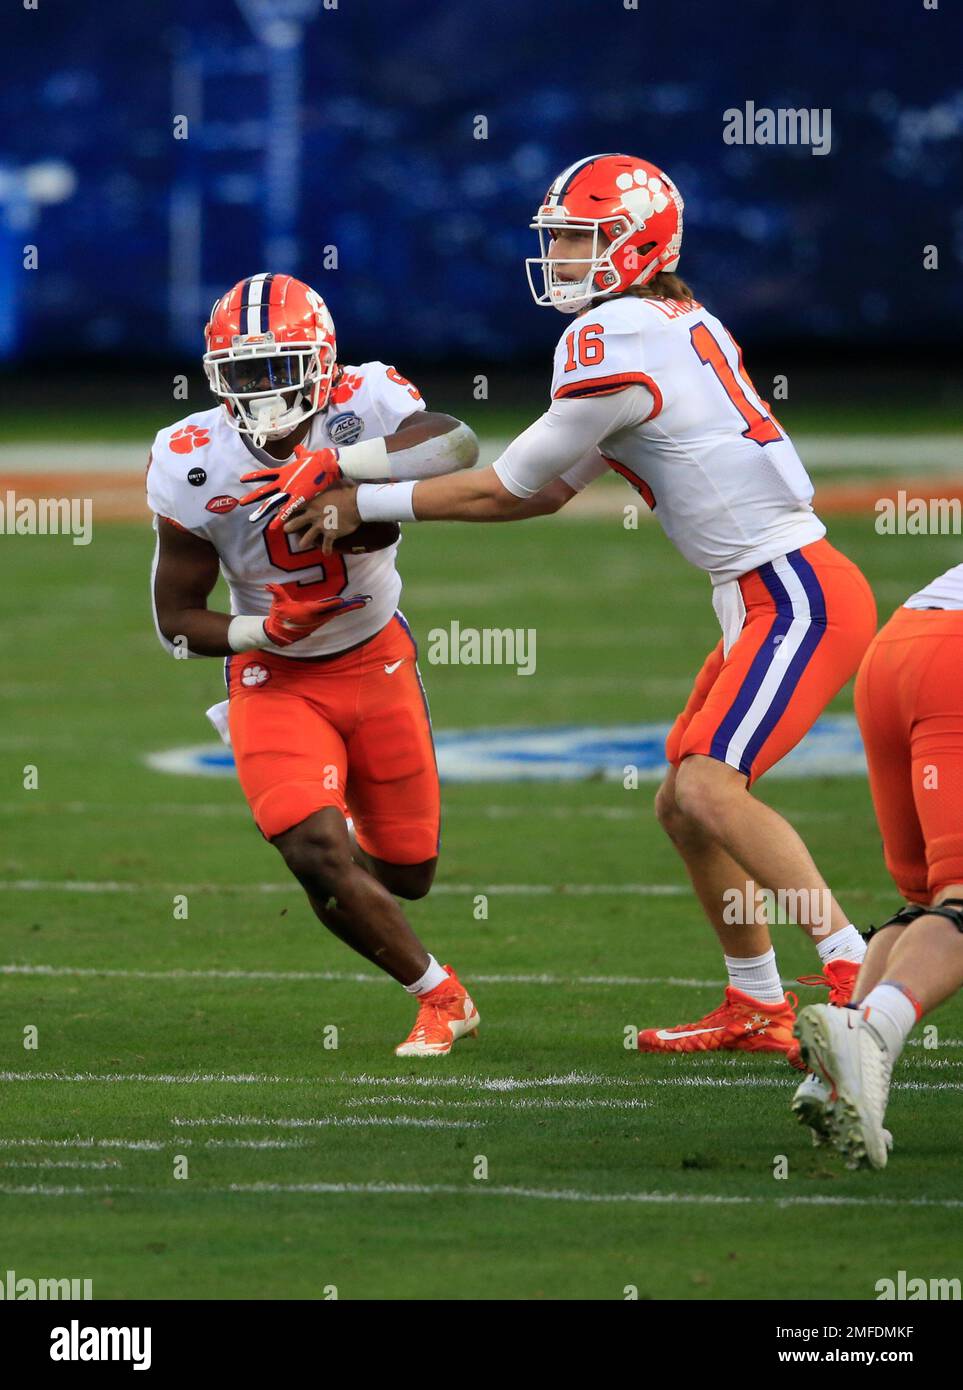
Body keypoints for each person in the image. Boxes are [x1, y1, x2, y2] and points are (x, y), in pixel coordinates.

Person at [295, 155, 878, 1063]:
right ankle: (756, 1003)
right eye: (557, 237)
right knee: (683, 805)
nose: (560, 255)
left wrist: (359, 499)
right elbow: (547, 493)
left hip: (794, 593)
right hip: (761, 592)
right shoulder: (670, 318)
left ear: (635, 243)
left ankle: (850, 969)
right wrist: (368, 482)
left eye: (577, 236)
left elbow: (507, 485)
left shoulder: (611, 336)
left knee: (707, 788)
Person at [148, 271, 493, 1056]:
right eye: (243, 374)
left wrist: (349, 467)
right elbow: (175, 623)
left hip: (377, 661)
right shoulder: (189, 458)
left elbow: (455, 443)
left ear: (324, 361)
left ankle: (350, 881)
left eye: (280, 368)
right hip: (276, 678)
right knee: (310, 849)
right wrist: (258, 632)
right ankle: (439, 995)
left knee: (406, 875)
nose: (264, 390)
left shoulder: (362, 400)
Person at [793, 565, 963, 1167]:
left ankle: (836, 1076)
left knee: (930, 904)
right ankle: (871, 1030)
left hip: (901, 645)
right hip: (952, 666)